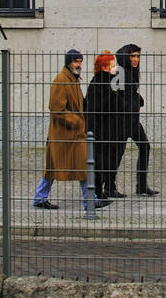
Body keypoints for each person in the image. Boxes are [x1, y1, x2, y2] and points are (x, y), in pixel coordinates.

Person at [37, 48, 108, 211]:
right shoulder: (61, 80)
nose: (79, 64)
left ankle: (41, 197)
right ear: (69, 62)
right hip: (64, 133)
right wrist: (77, 121)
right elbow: (56, 109)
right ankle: (89, 200)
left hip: (73, 133)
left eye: (81, 61)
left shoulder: (73, 79)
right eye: (76, 61)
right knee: (58, 167)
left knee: (78, 166)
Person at [116, 43, 158, 196]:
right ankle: (109, 186)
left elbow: (127, 91)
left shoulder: (131, 72)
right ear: (125, 57)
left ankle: (141, 185)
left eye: (137, 56)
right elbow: (115, 94)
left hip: (133, 120)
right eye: (132, 56)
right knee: (117, 153)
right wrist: (129, 102)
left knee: (145, 146)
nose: (136, 59)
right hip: (122, 121)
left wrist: (136, 97)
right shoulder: (120, 72)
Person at [85, 50, 125, 202]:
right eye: (112, 65)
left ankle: (101, 191)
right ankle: (96, 194)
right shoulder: (98, 84)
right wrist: (113, 95)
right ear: (104, 67)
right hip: (99, 131)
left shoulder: (108, 83)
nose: (115, 68)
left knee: (105, 161)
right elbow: (98, 107)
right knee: (99, 162)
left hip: (107, 130)